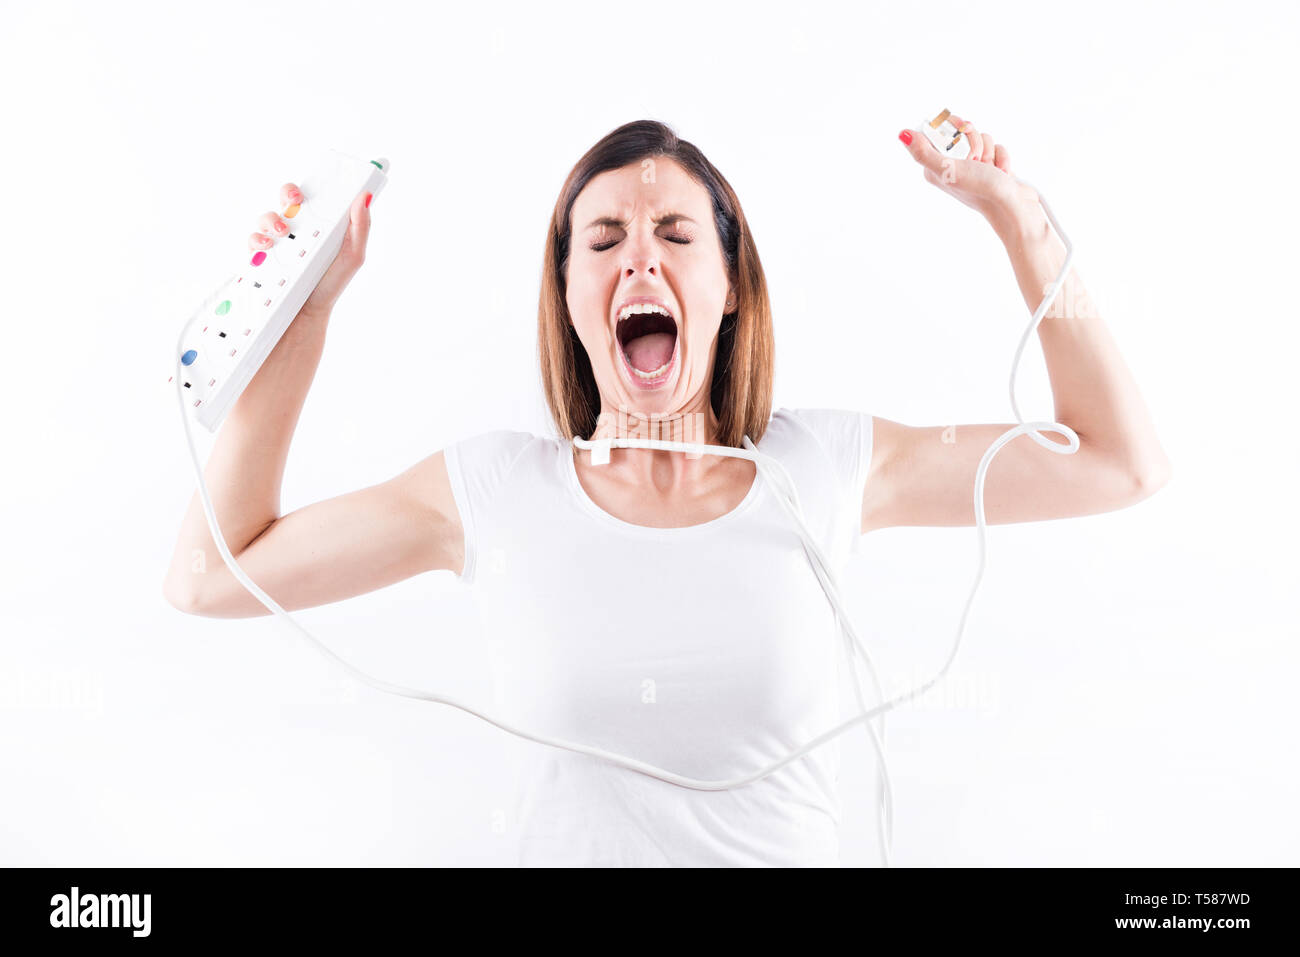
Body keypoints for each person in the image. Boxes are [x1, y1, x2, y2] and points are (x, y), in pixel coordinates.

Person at [163, 118, 1171, 866]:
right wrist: (302, 306)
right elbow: (210, 577)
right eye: (601, 242)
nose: (637, 254)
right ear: (568, 296)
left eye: (675, 234)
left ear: (729, 286)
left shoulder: (826, 467)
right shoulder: (488, 490)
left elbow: (1117, 463)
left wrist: (1024, 225)